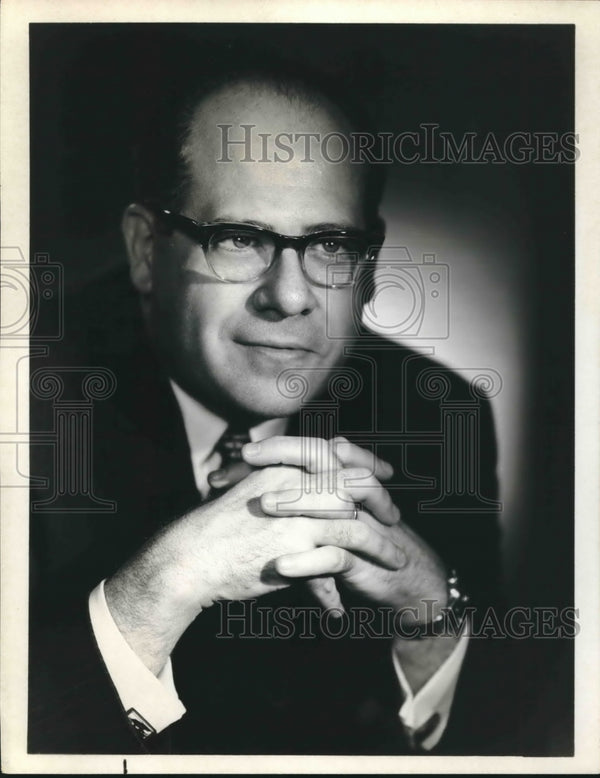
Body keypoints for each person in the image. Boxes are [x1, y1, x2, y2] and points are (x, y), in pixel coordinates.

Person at [28, 57, 505, 755]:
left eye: (330, 244)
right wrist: (155, 594)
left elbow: (518, 744)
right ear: (143, 249)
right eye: (240, 239)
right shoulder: (27, 399)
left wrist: (432, 624)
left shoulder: (436, 416)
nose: (288, 297)